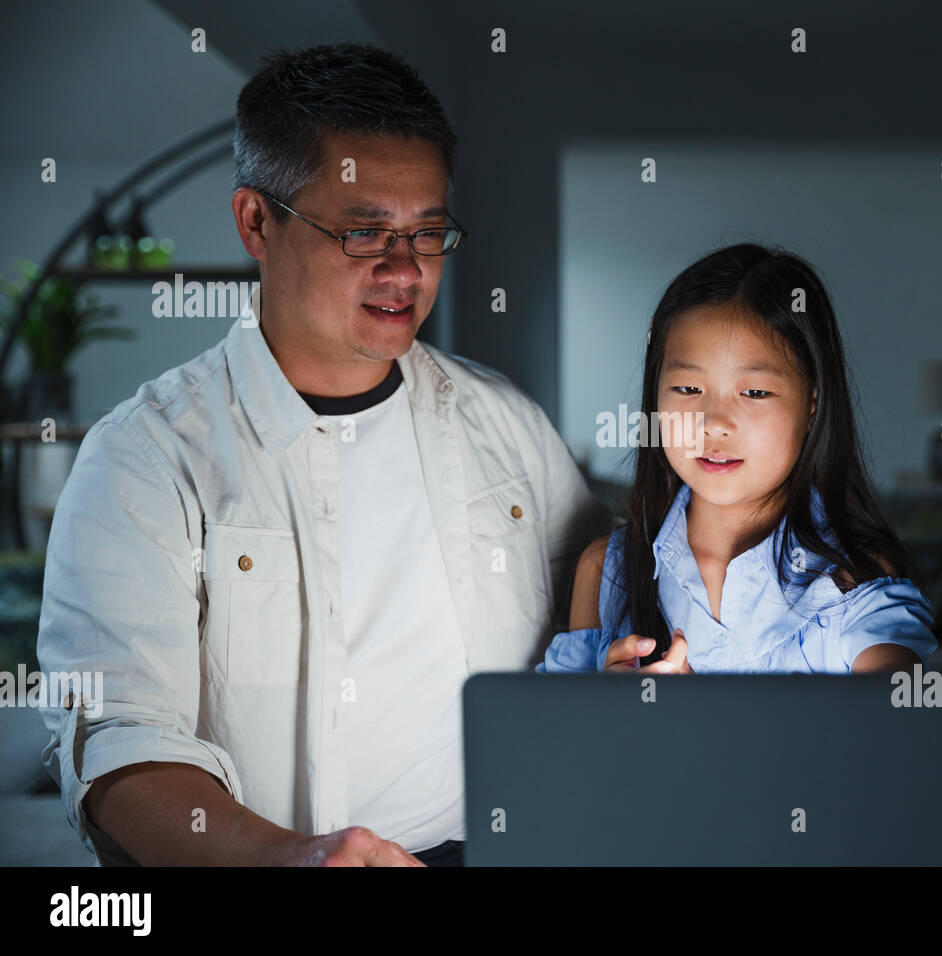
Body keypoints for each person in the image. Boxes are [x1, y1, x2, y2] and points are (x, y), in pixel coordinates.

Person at [36, 43, 607, 867]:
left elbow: (601, 614)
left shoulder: (508, 423)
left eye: (428, 232)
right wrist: (289, 858)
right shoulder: (145, 459)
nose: (405, 269)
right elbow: (120, 746)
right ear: (255, 222)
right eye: (364, 230)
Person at [538, 243, 937, 675]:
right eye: (689, 390)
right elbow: (557, 741)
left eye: (755, 392)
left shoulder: (858, 579)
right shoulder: (604, 571)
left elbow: (899, 738)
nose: (714, 424)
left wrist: (696, 723)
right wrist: (606, 720)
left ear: (812, 406)